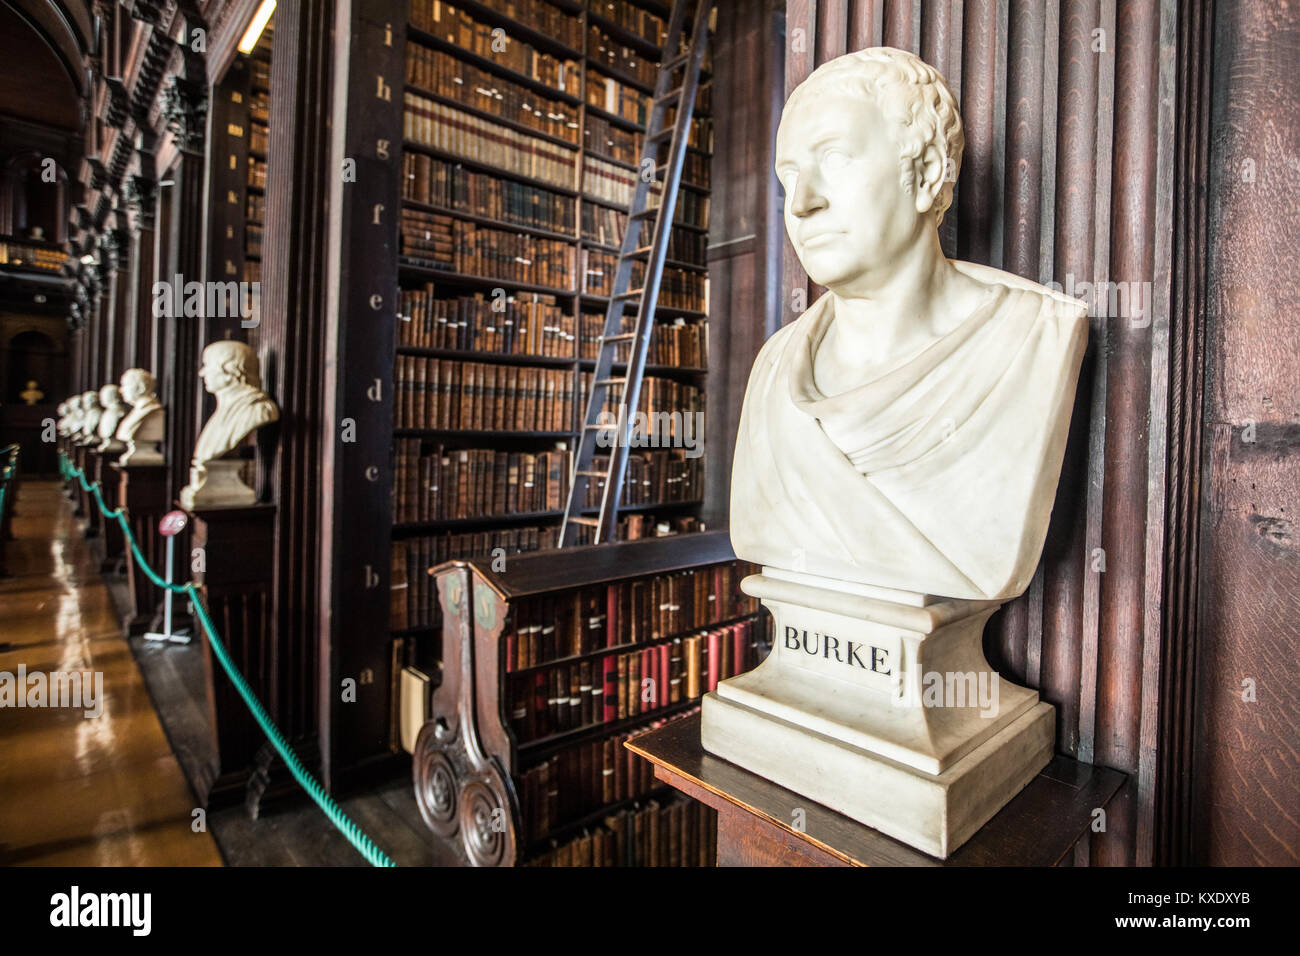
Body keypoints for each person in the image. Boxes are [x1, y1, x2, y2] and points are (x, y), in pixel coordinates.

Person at [729, 48, 1088, 602]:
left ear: (925, 174)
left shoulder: (1032, 339)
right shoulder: (773, 370)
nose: (801, 203)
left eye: (838, 159)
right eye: (789, 177)